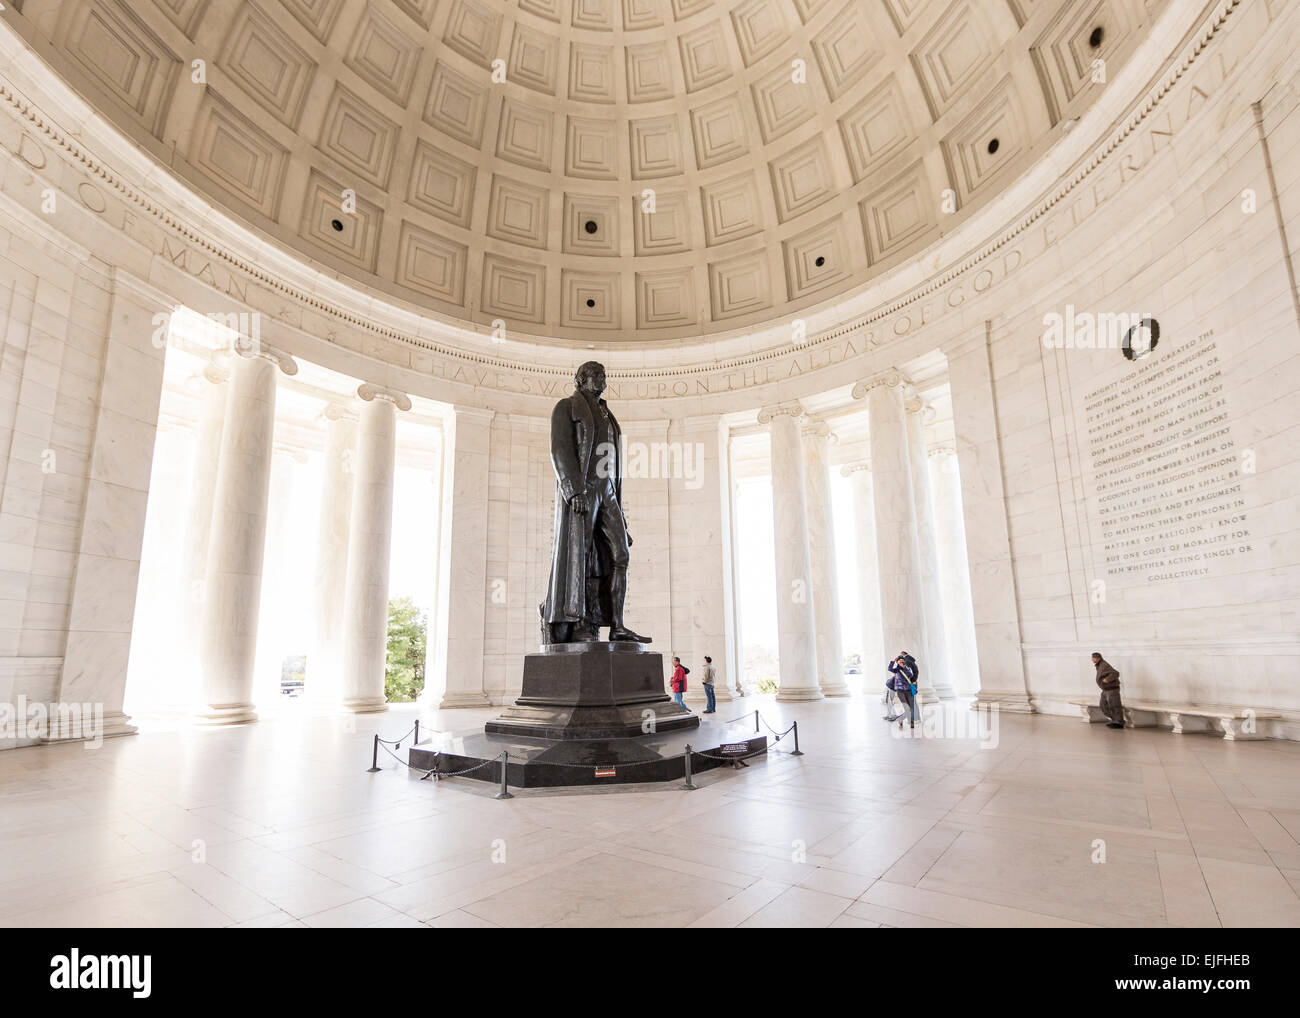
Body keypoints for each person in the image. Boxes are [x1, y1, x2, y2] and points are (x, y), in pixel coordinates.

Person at [1092, 652, 1124, 729]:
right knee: (1103, 706)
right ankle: (1114, 720)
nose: (1092, 659)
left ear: (1098, 658)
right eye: (1092, 658)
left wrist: (1107, 679)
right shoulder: (1099, 665)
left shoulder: (1104, 665)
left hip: (1112, 689)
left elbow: (1115, 673)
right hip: (1105, 689)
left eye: (1093, 658)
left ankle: (1119, 722)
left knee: (1114, 705)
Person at [887, 653, 918, 728]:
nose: (902, 662)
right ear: (898, 662)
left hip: (908, 690)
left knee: (911, 707)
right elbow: (890, 669)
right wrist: (893, 661)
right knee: (906, 707)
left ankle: (901, 719)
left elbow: (911, 675)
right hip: (900, 691)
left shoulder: (907, 669)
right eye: (900, 661)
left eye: (903, 661)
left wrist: (905, 667)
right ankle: (911, 722)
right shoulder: (896, 670)